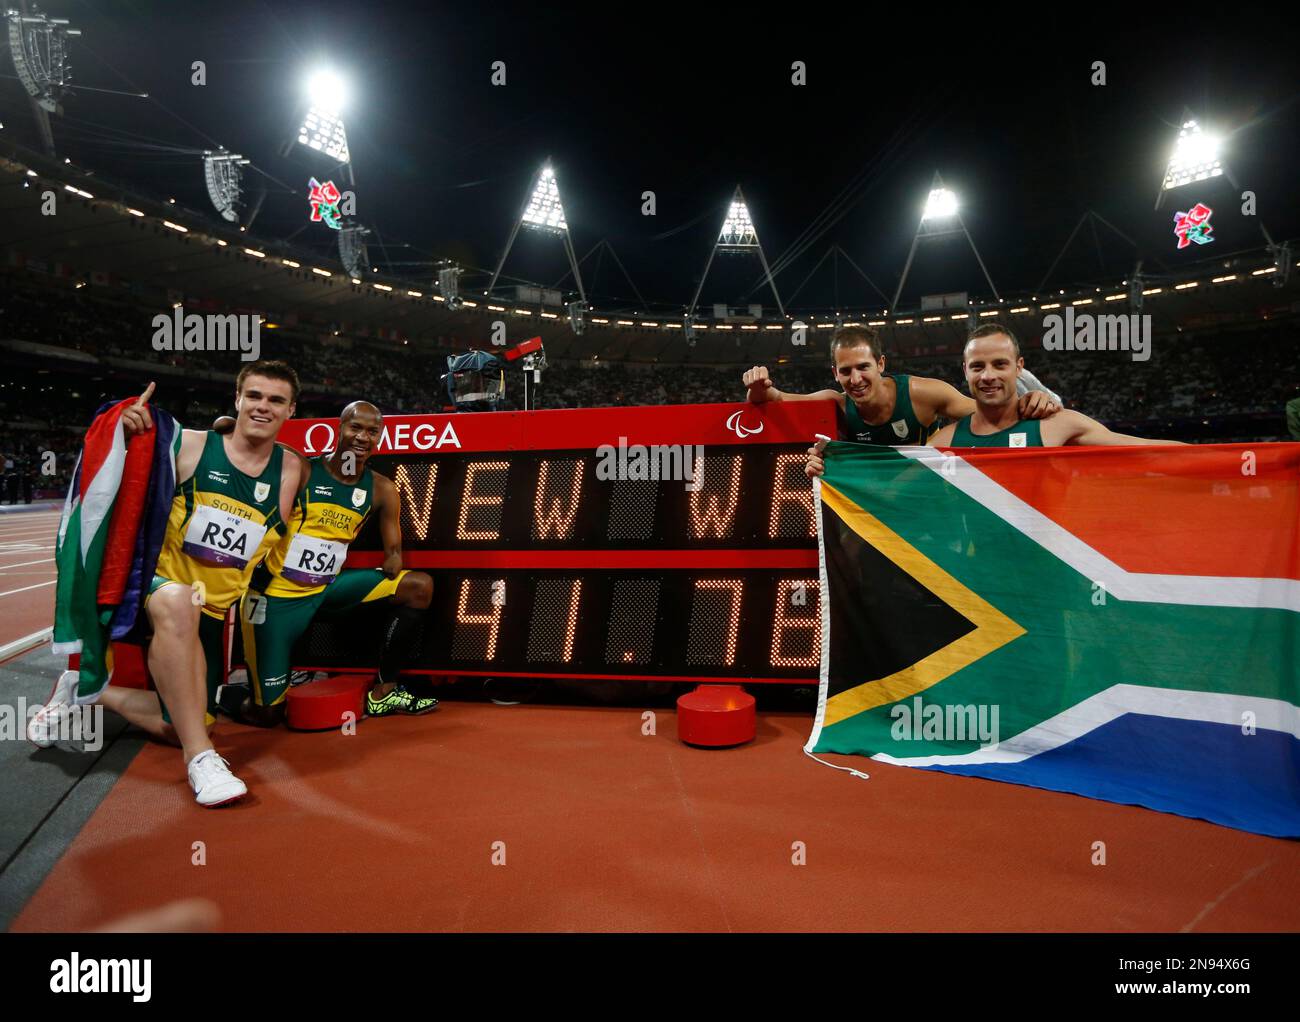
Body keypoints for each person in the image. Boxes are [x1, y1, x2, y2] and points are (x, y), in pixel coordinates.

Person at [30, 362, 309, 807]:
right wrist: (122, 427)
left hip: (213, 614)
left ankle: (87, 691)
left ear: (291, 410)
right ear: (237, 399)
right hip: (160, 590)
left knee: (179, 721)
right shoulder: (191, 446)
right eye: (254, 396)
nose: (263, 406)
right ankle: (201, 761)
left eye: (276, 400)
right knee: (181, 602)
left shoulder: (293, 469)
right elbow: (123, 460)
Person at [234, 400, 436, 727]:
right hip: (275, 599)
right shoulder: (302, 469)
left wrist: (393, 560)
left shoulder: (382, 489)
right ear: (339, 428)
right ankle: (224, 696)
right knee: (268, 714)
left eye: (372, 431)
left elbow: (394, 553)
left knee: (418, 586)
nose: (362, 437)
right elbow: (255, 444)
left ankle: (384, 693)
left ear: (380, 438)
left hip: (327, 590)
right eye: (355, 427)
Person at [805, 325, 1179, 476]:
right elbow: (884, 491)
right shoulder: (945, 441)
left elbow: (1145, 451)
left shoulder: (1054, 422)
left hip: (1052, 585)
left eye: (1000, 364)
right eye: (978, 367)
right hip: (980, 598)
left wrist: (1229, 462)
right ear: (965, 372)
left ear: (1019, 367)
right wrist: (830, 468)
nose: (988, 376)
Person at [744, 324, 1058, 446]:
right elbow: (775, 400)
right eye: (846, 371)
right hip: (871, 507)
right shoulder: (835, 403)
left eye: (863, 367)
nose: (855, 379)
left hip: (922, 498)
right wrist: (758, 387)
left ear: (880, 364)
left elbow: (989, 412)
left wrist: (1035, 400)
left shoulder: (924, 394)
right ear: (835, 373)